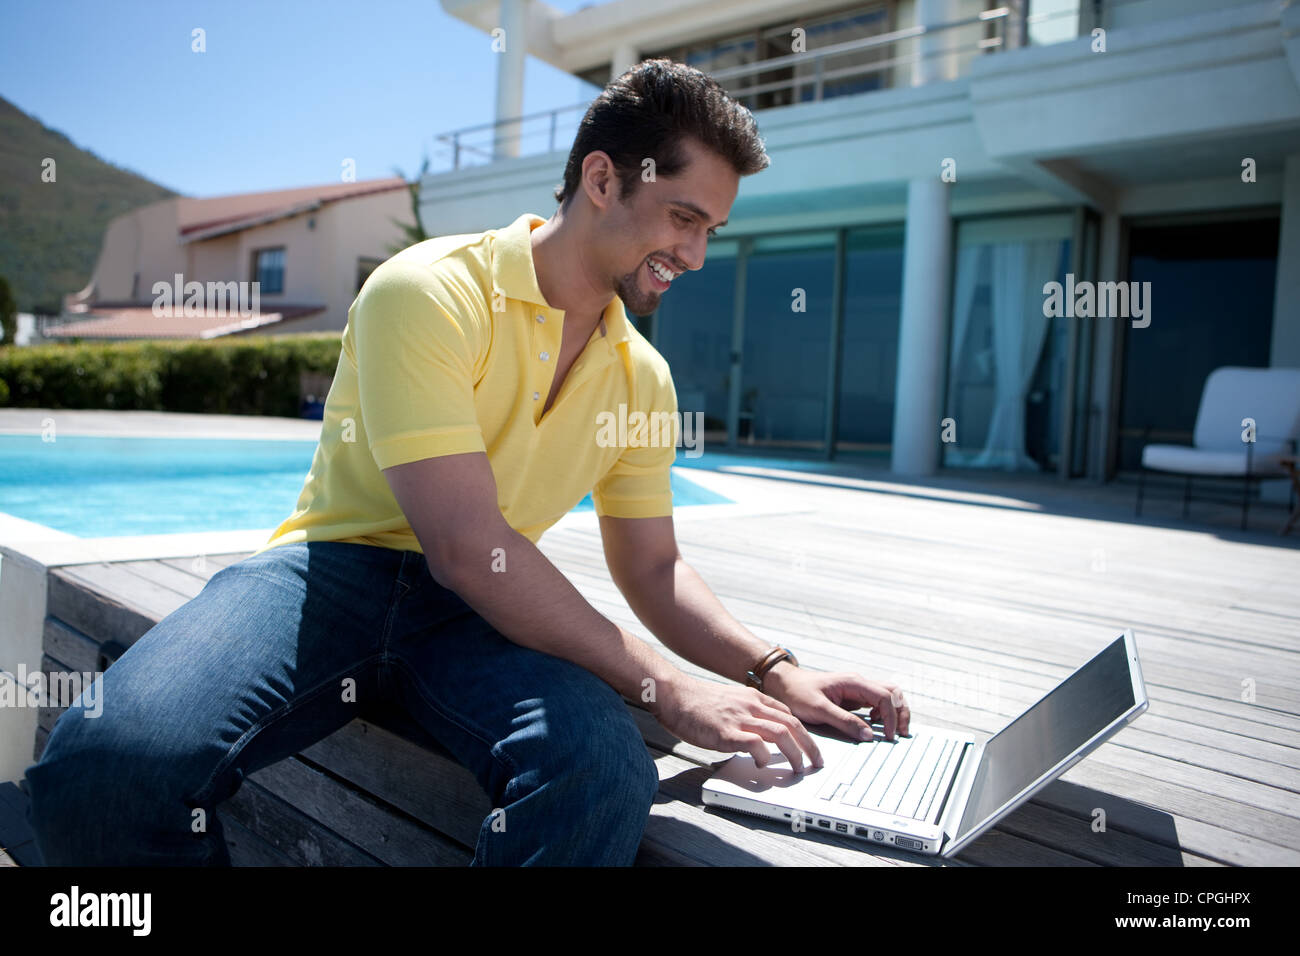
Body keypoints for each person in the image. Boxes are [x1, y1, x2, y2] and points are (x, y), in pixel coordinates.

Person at [25, 57, 909, 867]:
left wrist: (775, 672)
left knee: (601, 771)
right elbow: (462, 542)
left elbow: (654, 566)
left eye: (711, 229)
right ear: (602, 179)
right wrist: (666, 684)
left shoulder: (643, 376)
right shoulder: (431, 291)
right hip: (330, 575)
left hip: (476, 619)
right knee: (103, 766)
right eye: (684, 218)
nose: (694, 254)